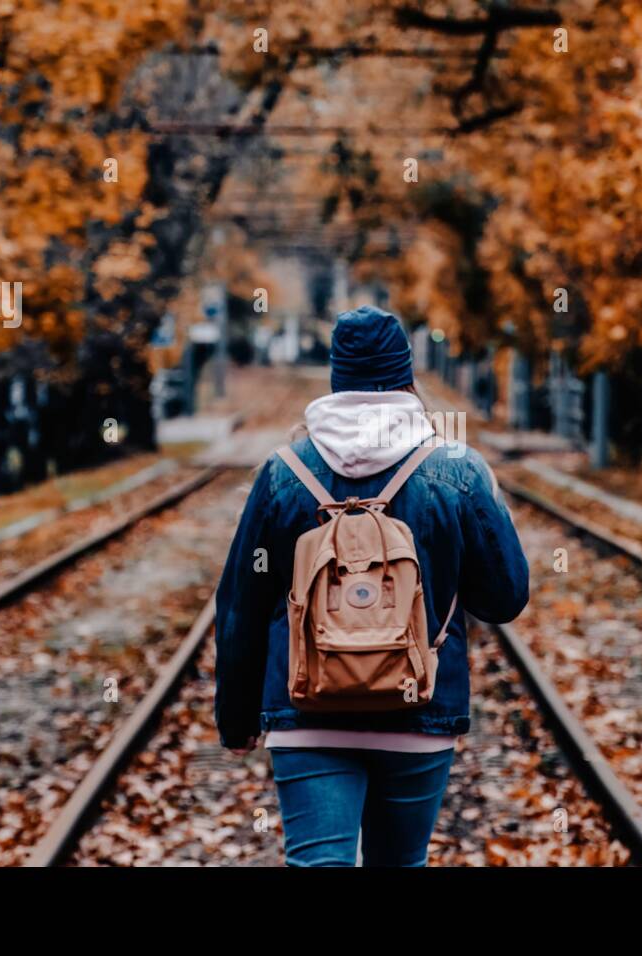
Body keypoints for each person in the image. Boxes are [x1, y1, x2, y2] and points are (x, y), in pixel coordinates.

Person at [214, 304, 530, 867]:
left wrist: (237, 721)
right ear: (408, 377)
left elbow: (241, 603)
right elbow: (504, 598)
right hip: (417, 714)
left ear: (336, 381)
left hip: (306, 714)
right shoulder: (458, 469)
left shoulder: (282, 471)